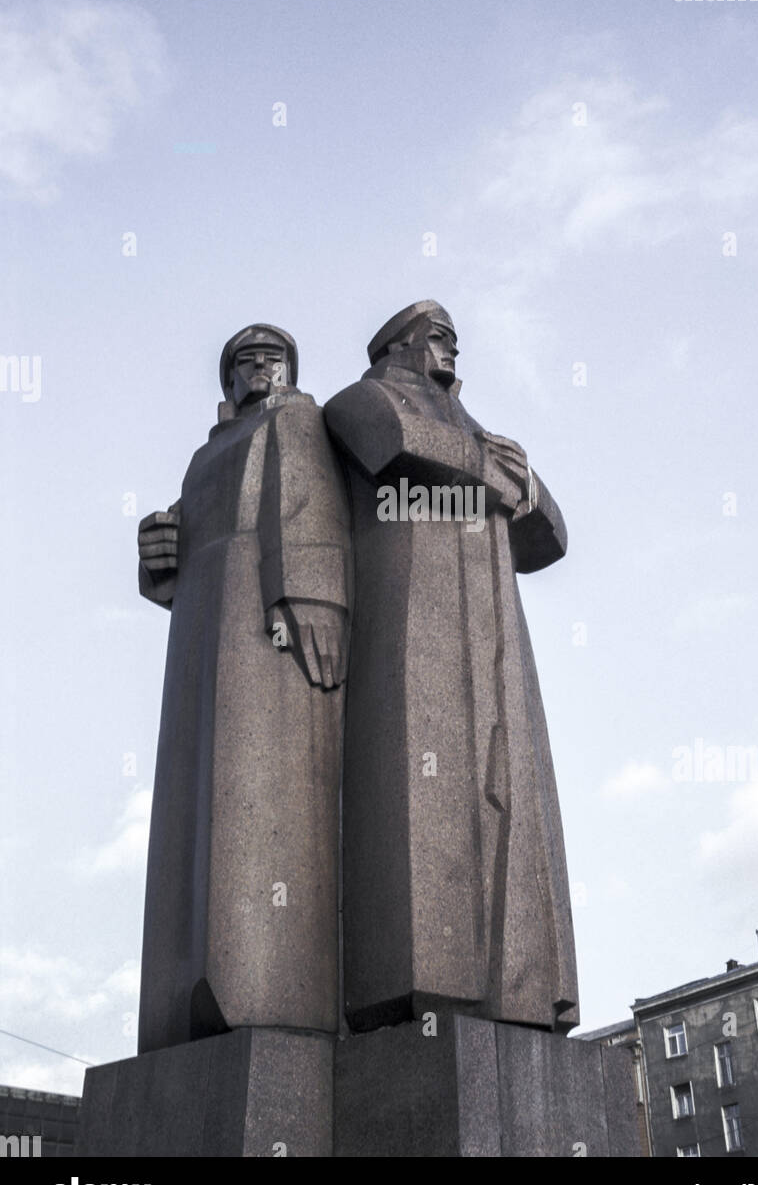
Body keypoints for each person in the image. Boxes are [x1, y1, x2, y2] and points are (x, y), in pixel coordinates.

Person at [324, 300, 578, 1033]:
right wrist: (491, 476)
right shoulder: (363, 398)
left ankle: (524, 993)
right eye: (440, 337)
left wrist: (520, 484)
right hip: (412, 614)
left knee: (509, 793)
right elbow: (393, 444)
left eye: (456, 340)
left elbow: (550, 538)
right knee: (422, 797)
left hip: (496, 628)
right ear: (400, 345)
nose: (453, 349)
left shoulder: (481, 433)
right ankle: (431, 983)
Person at [137, 326, 350, 1053]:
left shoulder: (296, 417)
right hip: (202, 617)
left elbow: (310, 505)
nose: (260, 369)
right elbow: (183, 538)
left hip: (264, 616)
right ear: (225, 381)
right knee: (195, 802)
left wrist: (315, 594)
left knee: (255, 789)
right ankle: (189, 993)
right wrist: (159, 549)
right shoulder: (206, 455)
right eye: (245, 362)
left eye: (273, 358)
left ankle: (253, 979)